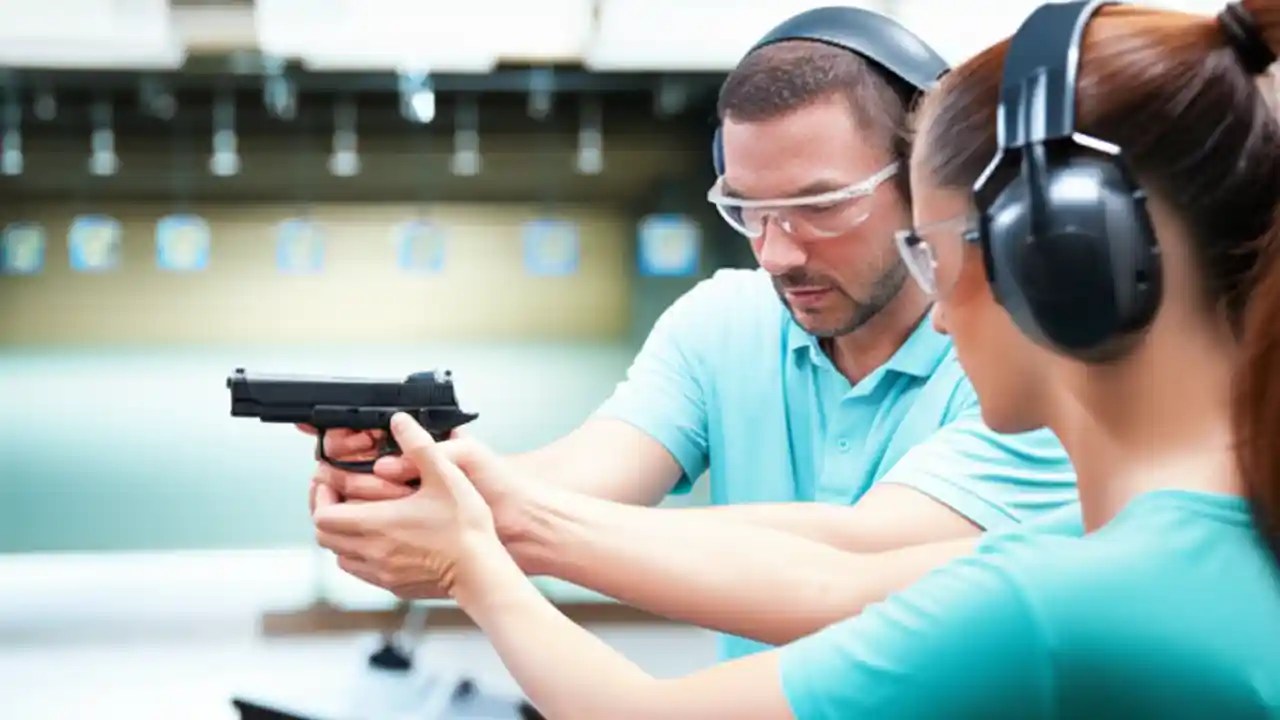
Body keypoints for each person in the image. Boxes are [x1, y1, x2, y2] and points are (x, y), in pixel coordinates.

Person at [312, 0, 1280, 716]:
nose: (775, 250)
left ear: (1049, 259)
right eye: (748, 213)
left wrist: (474, 554)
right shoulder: (1161, 545)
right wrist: (443, 488)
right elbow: (829, 556)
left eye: (938, 256)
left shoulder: (1051, 594)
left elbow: (830, 582)